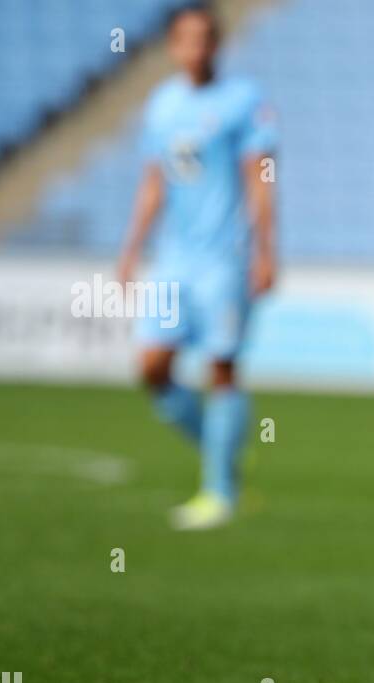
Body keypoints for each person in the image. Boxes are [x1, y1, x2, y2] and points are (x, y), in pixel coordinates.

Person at [117, 2, 276, 530]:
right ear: (172, 45)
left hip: (224, 257)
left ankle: (219, 493)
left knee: (221, 367)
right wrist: (131, 248)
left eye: (206, 38)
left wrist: (266, 250)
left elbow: (260, 176)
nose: (198, 48)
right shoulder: (161, 106)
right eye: (187, 38)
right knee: (151, 366)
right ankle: (221, 449)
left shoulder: (243, 101)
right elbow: (152, 182)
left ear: (218, 44)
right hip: (173, 260)